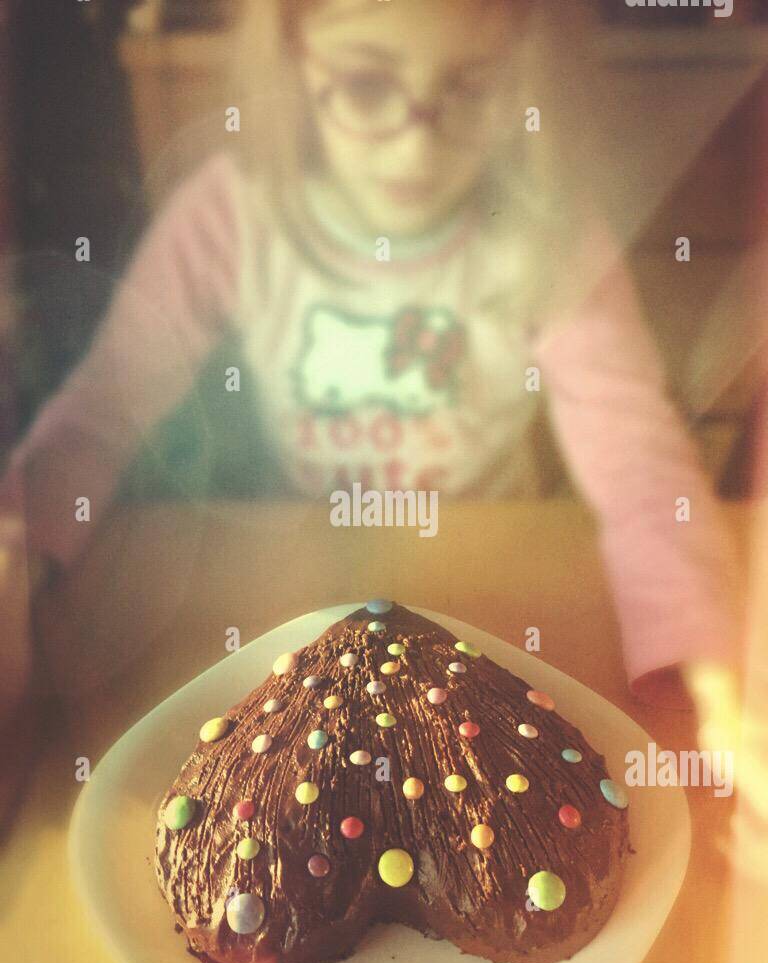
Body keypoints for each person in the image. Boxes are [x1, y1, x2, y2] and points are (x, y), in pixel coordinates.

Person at [0, 0, 739, 821]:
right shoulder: (229, 214)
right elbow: (107, 403)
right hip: (296, 610)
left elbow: (636, 448)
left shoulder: (548, 231)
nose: (418, 143)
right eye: (363, 85)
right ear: (293, 61)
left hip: (495, 608)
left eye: (471, 86)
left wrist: (719, 677)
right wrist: (22, 552)